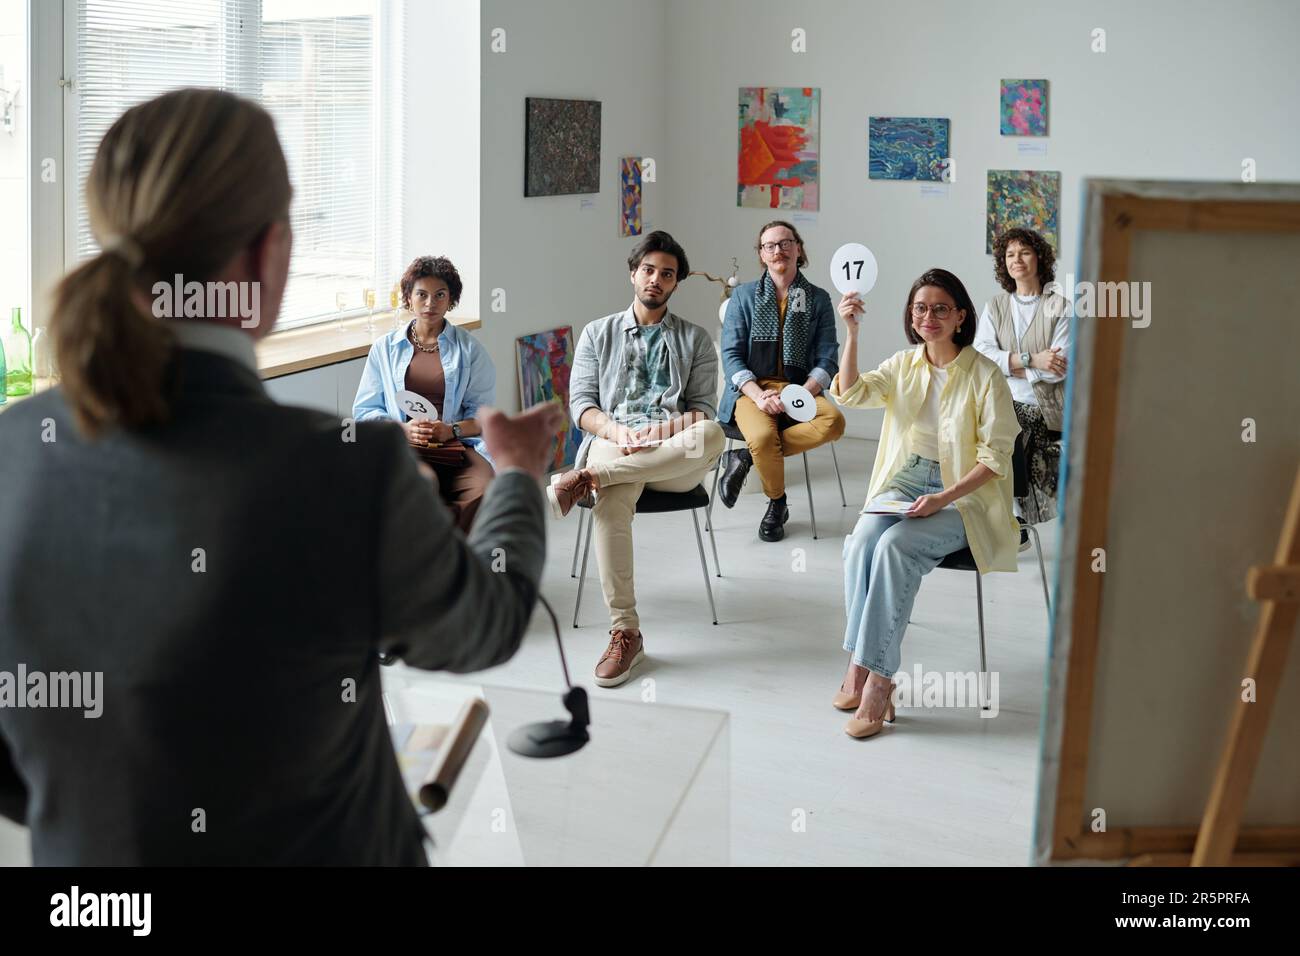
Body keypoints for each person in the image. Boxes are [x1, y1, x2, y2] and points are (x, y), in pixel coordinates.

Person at [0, 88, 563, 866]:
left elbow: (20, 771)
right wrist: (522, 475)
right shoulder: (346, 468)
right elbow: (487, 624)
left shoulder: (12, 450)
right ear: (269, 252)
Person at [830, 269, 1020, 739]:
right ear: (910, 317)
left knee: (896, 548)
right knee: (861, 542)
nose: (928, 316)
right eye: (920, 308)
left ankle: (878, 678)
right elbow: (851, 392)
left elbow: (995, 458)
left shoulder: (985, 374)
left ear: (960, 316)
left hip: (967, 492)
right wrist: (852, 332)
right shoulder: (903, 364)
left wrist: (944, 498)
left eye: (940, 308)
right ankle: (860, 663)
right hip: (909, 476)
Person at [546, 231, 724, 687]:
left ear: (676, 284)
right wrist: (619, 432)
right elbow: (582, 406)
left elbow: (702, 411)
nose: (656, 280)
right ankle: (626, 632)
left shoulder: (696, 339)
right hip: (617, 441)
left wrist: (661, 431)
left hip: (672, 454)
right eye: (649, 270)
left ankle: (586, 476)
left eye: (667, 274)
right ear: (633, 273)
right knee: (613, 497)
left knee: (713, 434)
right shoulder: (597, 333)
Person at [717, 220, 845, 541]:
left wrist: (800, 394)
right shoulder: (744, 297)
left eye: (785, 243)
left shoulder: (816, 299)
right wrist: (759, 396)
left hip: (798, 388)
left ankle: (744, 456)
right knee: (762, 437)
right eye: (770, 246)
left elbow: (827, 357)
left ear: (798, 248)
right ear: (761, 254)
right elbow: (731, 356)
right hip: (751, 391)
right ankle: (777, 503)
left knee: (834, 422)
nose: (778, 251)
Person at [353, 255, 496, 532]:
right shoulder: (384, 349)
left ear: (451, 299)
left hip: (455, 448)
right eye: (422, 294)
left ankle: (451, 561)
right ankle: (428, 564)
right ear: (408, 298)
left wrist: (450, 430)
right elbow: (364, 412)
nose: (430, 303)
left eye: (440, 295)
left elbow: (482, 418)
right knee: (422, 485)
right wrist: (403, 430)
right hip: (405, 447)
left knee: (484, 487)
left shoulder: (471, 350)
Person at [973, 227, 1070, 530]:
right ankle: (995, 512)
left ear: (1039, 258)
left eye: (1024, 252)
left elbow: (1057, 368)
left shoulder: (1062, 307)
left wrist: (1008, 363)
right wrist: (1031, 359)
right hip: (1002, 398)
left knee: (1006, 427)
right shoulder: (996, 306)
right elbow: (982, 356)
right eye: (1010, 254)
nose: (1017, 259)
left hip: (1043, 406)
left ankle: (1010, 514)